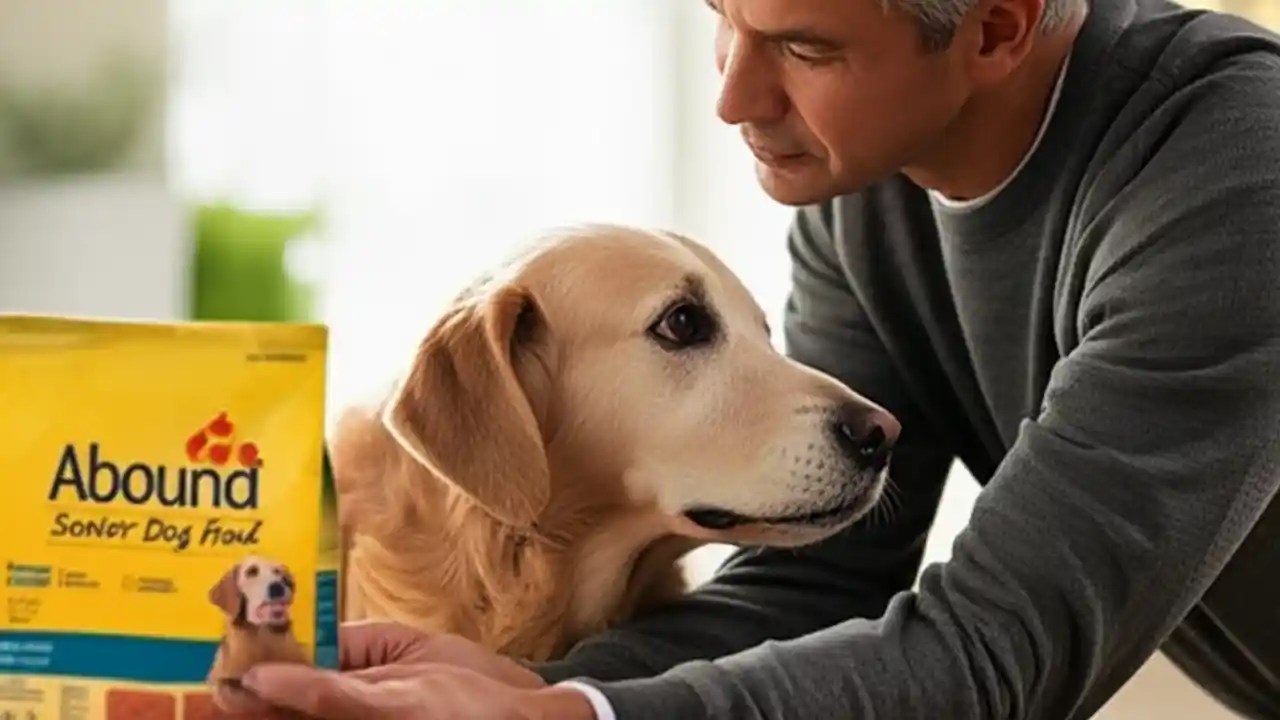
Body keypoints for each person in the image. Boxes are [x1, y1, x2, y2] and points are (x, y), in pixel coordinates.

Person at [220, 0, 1280, 717]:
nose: (732, 97)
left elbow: (998, 649)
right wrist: (532, 689)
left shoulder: (1234, 173)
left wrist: (572, 713)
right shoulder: (867, 189)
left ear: (996, 27)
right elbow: (819, 582)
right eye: (721, 17)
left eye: (803, 49)